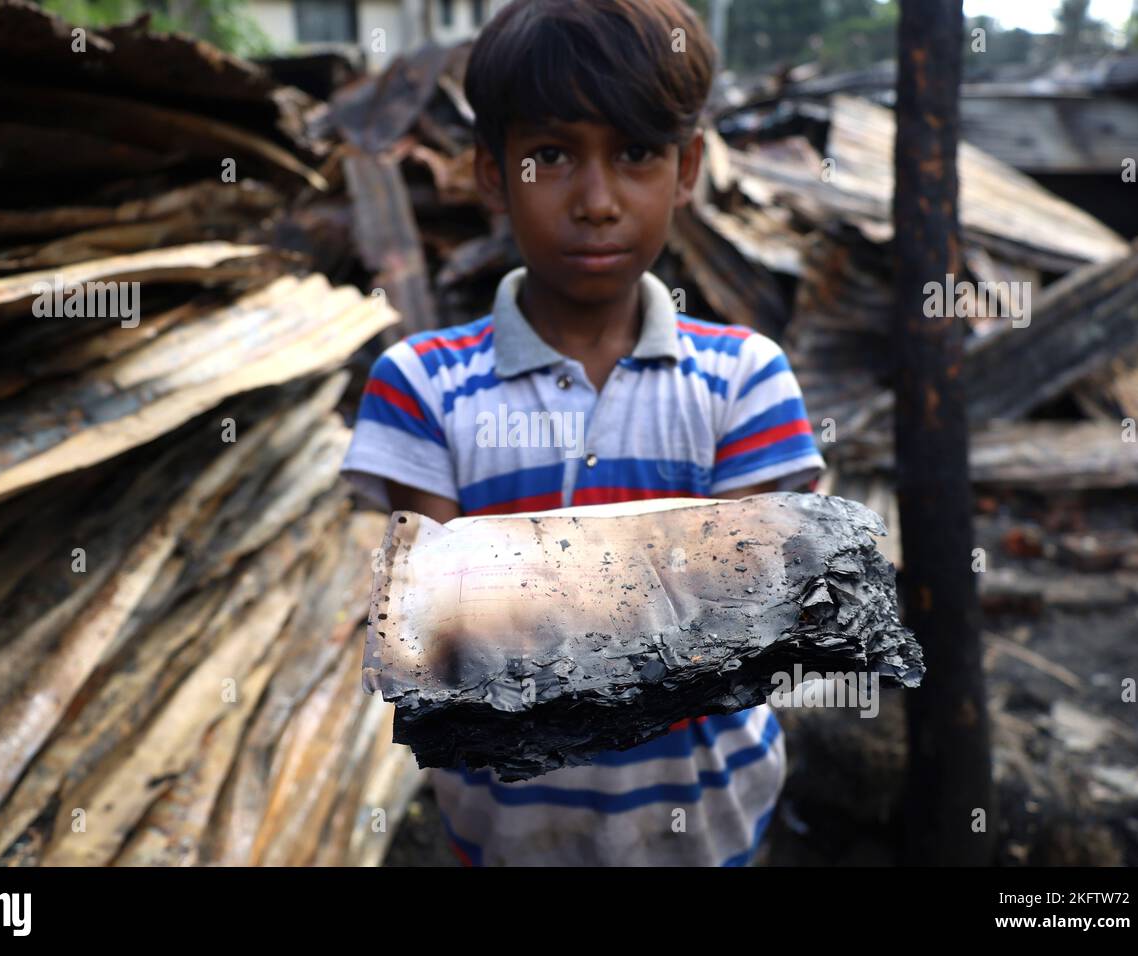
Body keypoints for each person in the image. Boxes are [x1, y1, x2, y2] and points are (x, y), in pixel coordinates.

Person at [340, 0, 826, 865]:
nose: (597, 202)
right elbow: (442, 635)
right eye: (552, 155)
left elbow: (749, 628)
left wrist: (514, 593)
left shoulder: (746, 379)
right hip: (510, 835)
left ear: (688, 169)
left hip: (707, 829)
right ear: (491, 173)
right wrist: (676, 577)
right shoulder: (421, 386)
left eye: (635, 154)